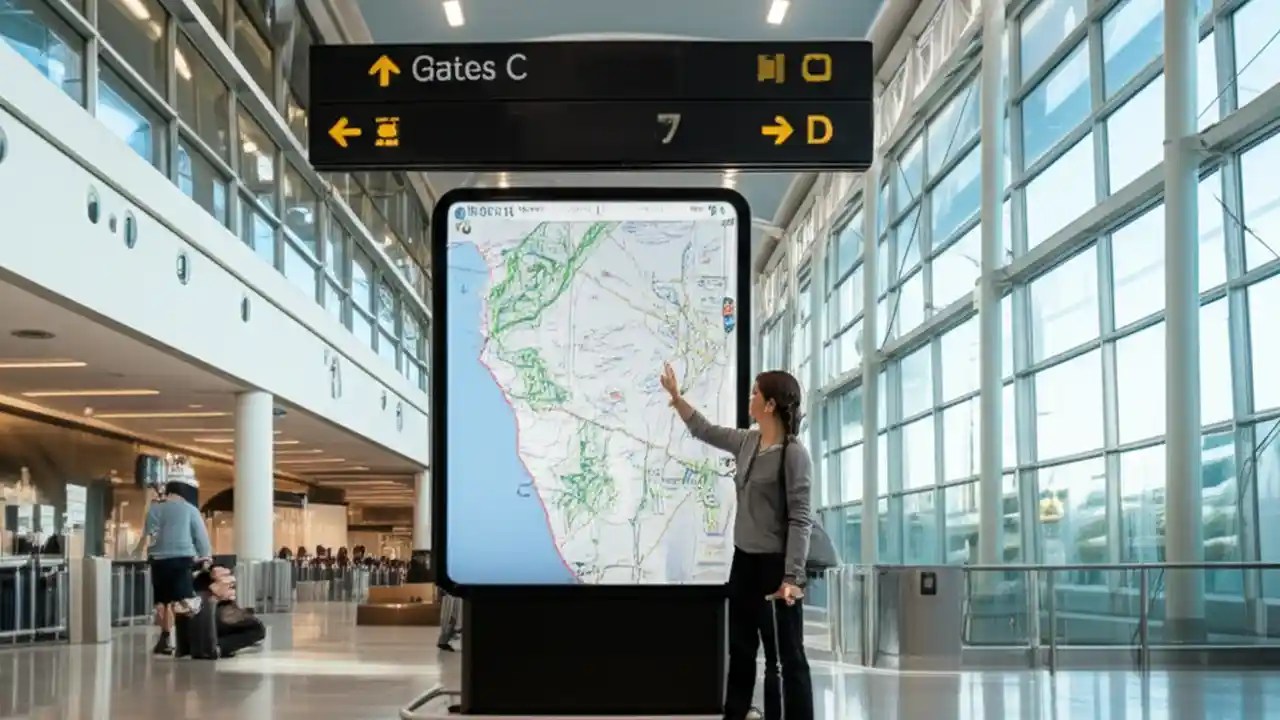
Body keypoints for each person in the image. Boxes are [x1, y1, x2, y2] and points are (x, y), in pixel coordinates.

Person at [660, 363, 814, 720]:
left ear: (771, 404)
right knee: (742, 650)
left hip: (777, 568)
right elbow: (704, 430)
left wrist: (792, 578)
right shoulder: (748, 441)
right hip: (744, 562)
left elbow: (800, 519)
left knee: (788, 656)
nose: (750, 399)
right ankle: (736, 713)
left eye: (755, 394)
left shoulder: (793, 454)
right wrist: (677, 399)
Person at [142, 481, 213, 656]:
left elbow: (149, 534)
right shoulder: (190, 509)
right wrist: (206, 557)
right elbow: (200, 536)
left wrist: (151, 552)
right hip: (181, 559)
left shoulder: (155, 509)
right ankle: (191, 639)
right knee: (185, 599)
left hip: (158, 559)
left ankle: (165, 638)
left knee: (163, 601)